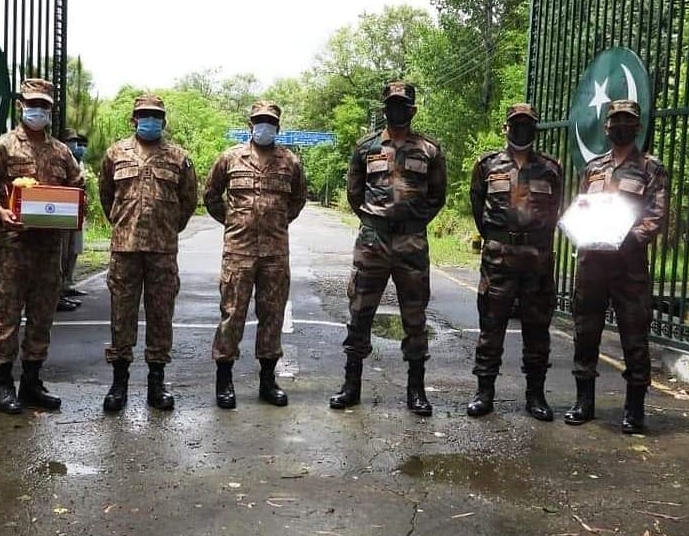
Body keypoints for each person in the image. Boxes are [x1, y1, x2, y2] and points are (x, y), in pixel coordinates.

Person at [330, 81, 447, 416]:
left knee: (414, 315)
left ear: (412, 109)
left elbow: (437, 196)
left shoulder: (429, 150)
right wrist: (376, 221)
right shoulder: (365, 147)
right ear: (385, 108)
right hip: (373, 241)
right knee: (360, 312)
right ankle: (351, 386)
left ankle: (416, 391)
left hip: (411, 241)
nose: (397, 109)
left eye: (403, 104)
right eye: (391, 104)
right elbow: (355, 193)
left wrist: (412, 219)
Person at [0, 78, 85, 414]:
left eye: (44, 106)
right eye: (31, 104)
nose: (37, 110)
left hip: (50, 250)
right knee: (6, 317)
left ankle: (32, 382)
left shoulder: (61, 152)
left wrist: (73, 210)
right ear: (21, 105)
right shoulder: (1, 147)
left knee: (41, 317)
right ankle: (2, 384)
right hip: (14, 248)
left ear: (51, 109)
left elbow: (78, 191)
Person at [567, 99, 669, 433]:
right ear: (606, 126)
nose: (620, 126)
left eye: (627, 121)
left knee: (634, 336)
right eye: (615, 121)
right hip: (592, 264)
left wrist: (626, 239)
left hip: (629, 266)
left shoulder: (651, 168)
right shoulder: (593, 167)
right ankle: (584, 402)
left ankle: (634, 410)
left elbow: (656, 215)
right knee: (585, 332)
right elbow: (582, 207)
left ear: (637, 127)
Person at [204, 100, 307, 409]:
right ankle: (224, 381)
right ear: (250, 125)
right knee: (232, 314)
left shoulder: (290, 161)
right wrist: (234, 221)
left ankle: (267, 381)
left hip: (275, 253)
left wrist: (277, 221)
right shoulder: (230, 158)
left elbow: (299, 198)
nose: (265, 126)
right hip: (238, 252)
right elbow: (210, 195)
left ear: (278, 127)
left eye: (270, 122)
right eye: (259, 121)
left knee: (272, 315)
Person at [99, 94, 197, 412]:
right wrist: (122, 225)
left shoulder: (179, 157)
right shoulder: (115, 154)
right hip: (124, 251)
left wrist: (167, 228)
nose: (149, 120)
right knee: (121, 317)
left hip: (162, 251)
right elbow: (106, 196)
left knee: (160, 317)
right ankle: (119, 383)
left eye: (155, 116)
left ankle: (157, 383)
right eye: (144, 115)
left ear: (163, 121)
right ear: (134, 120)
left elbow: (188, 201)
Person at [467, 103, 562, 421]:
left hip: (537, 263)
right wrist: (500, 239)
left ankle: (536, 395)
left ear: (534, 129)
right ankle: (484, 393)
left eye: (527, 124)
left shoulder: (551, 168)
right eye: (516, 124)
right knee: (491, 328)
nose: (521, 129)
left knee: (537, 330)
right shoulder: (487, 165)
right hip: (498, 260)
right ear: (506, 128)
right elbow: (478, 207)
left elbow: (555, 212)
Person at [57, 129, 88, 312]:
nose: (75, 145)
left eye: (76, 142)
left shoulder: (74, 162)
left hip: (74, 213)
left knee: (71, 251)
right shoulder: (57, 156)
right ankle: (58, 292)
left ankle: (64, 288)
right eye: (71, 141)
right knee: (60, 255)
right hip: (59, 213)